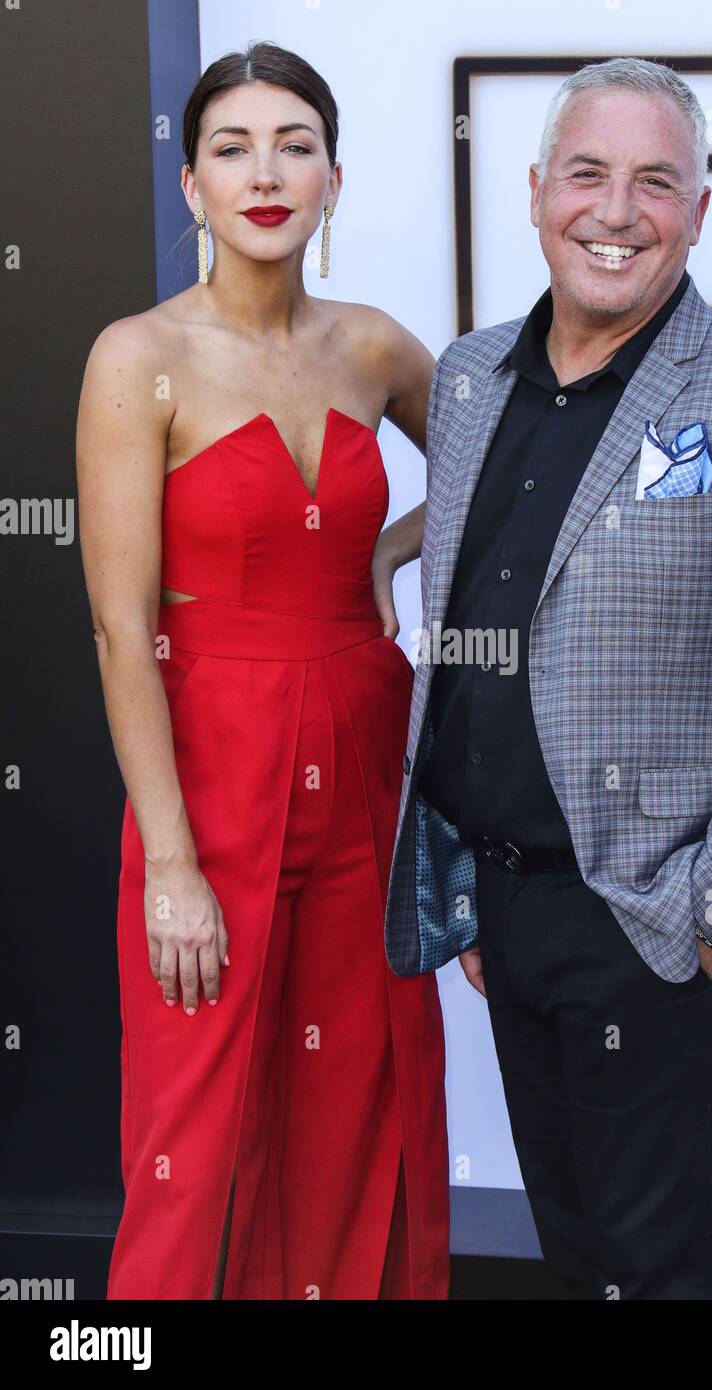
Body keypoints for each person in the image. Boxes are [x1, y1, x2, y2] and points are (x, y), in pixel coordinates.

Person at [383, 56, 712, 1299]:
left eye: (655, 181)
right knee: (575, 1251)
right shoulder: (467, 377)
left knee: (666, 1267)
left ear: (698, 211)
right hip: (506, 908)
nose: (616, 210)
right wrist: (478, 880)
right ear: (538, 189)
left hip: (658, 923)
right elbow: (472, 625)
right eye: (589, 174)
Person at [77, 39, 448, 1300]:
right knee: (194, 1128)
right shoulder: (137, 357)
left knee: (353, 1091)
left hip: (358, 751)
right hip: (212, 764)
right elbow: (124, 629)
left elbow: (514, 482)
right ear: (191, 185)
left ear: (334, 178)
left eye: (295, 145)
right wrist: (170, 863)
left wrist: (396, 553)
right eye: (232, 149)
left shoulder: (377, 345)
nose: (266, 172)